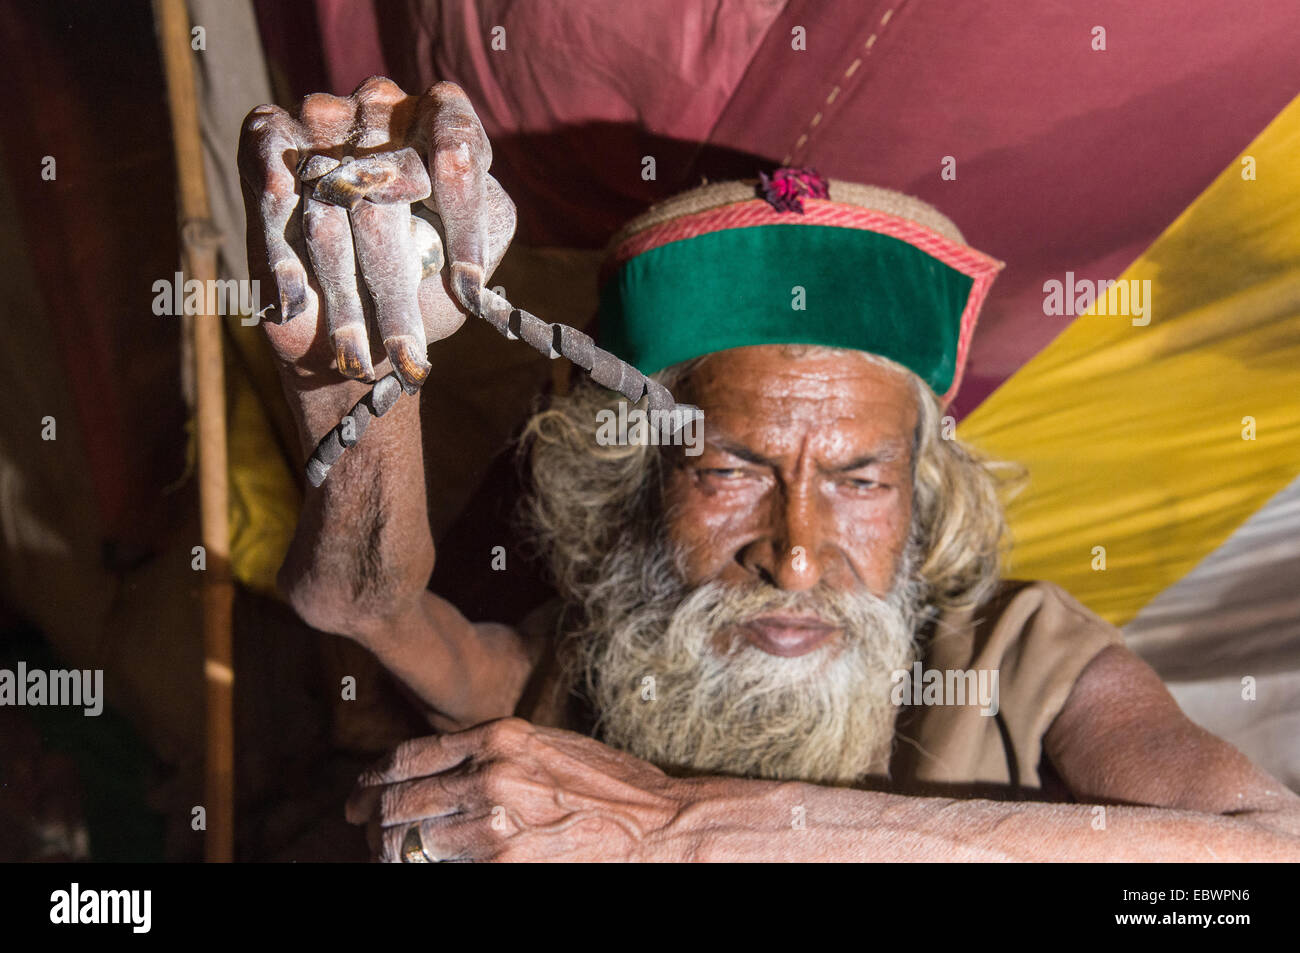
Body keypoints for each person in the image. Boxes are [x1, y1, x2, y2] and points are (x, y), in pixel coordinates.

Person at [239, 78, 1300, 862]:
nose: (795, 555)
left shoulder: (1024, 660)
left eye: (859, 479)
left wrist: (675, 823)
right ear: (637, 480)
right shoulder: (595, 652)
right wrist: (362, 388)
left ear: (921, 497)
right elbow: (363, 597)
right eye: (730, 468)